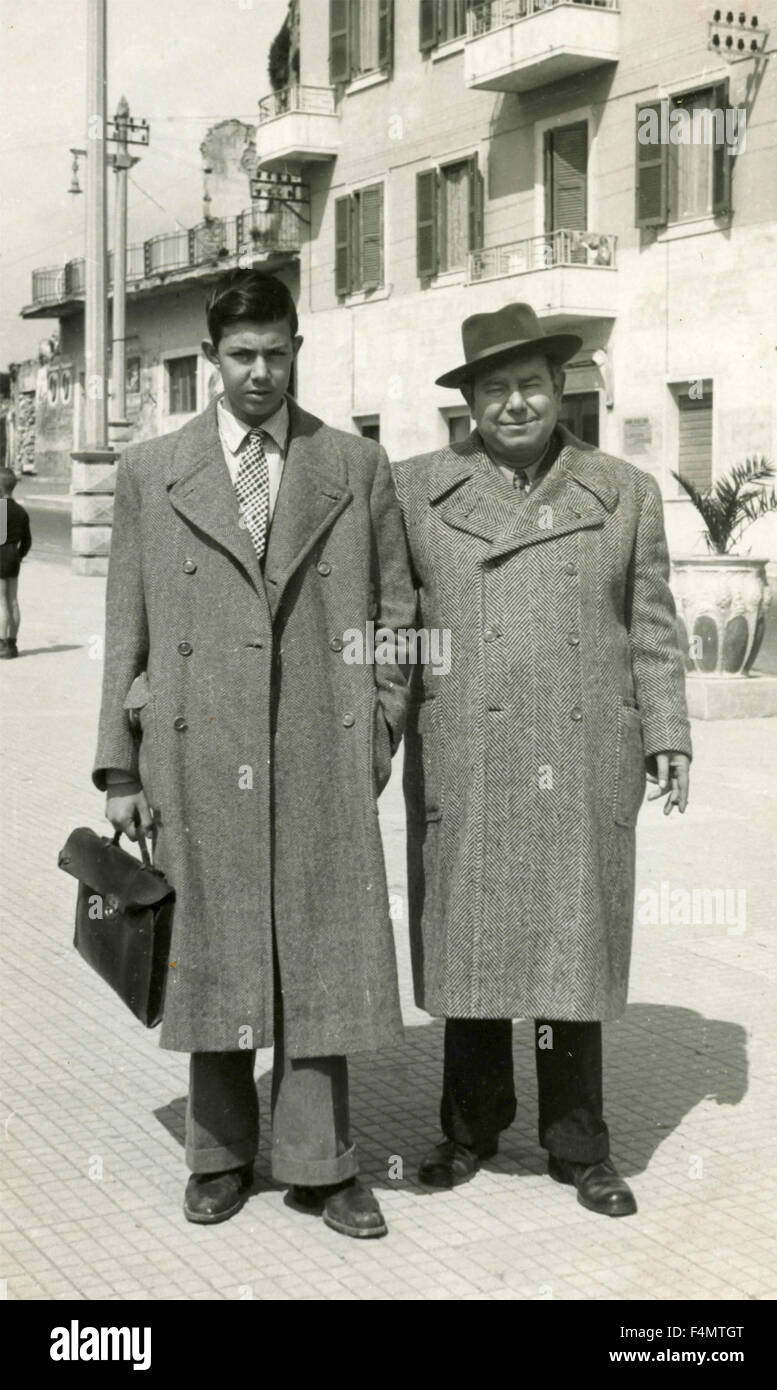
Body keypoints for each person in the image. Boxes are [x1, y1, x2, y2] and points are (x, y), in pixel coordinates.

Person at [94, 270, 415, 1237]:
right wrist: (118, 769)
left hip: (322, 741)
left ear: (297, 351)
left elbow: (398, 614)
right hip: (197, 749)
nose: (261, 373)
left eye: (277, 353)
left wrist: (379, 726)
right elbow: (126, 630)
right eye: (242, 356)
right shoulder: (153, 469)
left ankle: (324, 1164)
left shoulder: (354, 466)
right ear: (211, 358)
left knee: (322, 950)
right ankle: (220, 1155)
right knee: (215, 949)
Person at [391, 302, 692, 1217]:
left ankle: (579, 1146)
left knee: (571, 953)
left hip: (582, 747)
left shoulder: (623, 490)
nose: (515, 403)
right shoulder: (413, 491)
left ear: (561, 388)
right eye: (495, 388)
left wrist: (667, 731)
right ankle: (468, 1130)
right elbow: (387, 631)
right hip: (467, 751)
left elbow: (654, 628)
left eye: (530, 384)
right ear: (468, 402)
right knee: (474, 948)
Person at [0, 467, 32, 659]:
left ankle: (2, 643)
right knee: (13, 601)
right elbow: (27, 541)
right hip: (13, 556)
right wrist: (19, 555)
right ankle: (12, 643)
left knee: (1, 602)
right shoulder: (21, 511)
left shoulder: (1, 509)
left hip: (1, 555)